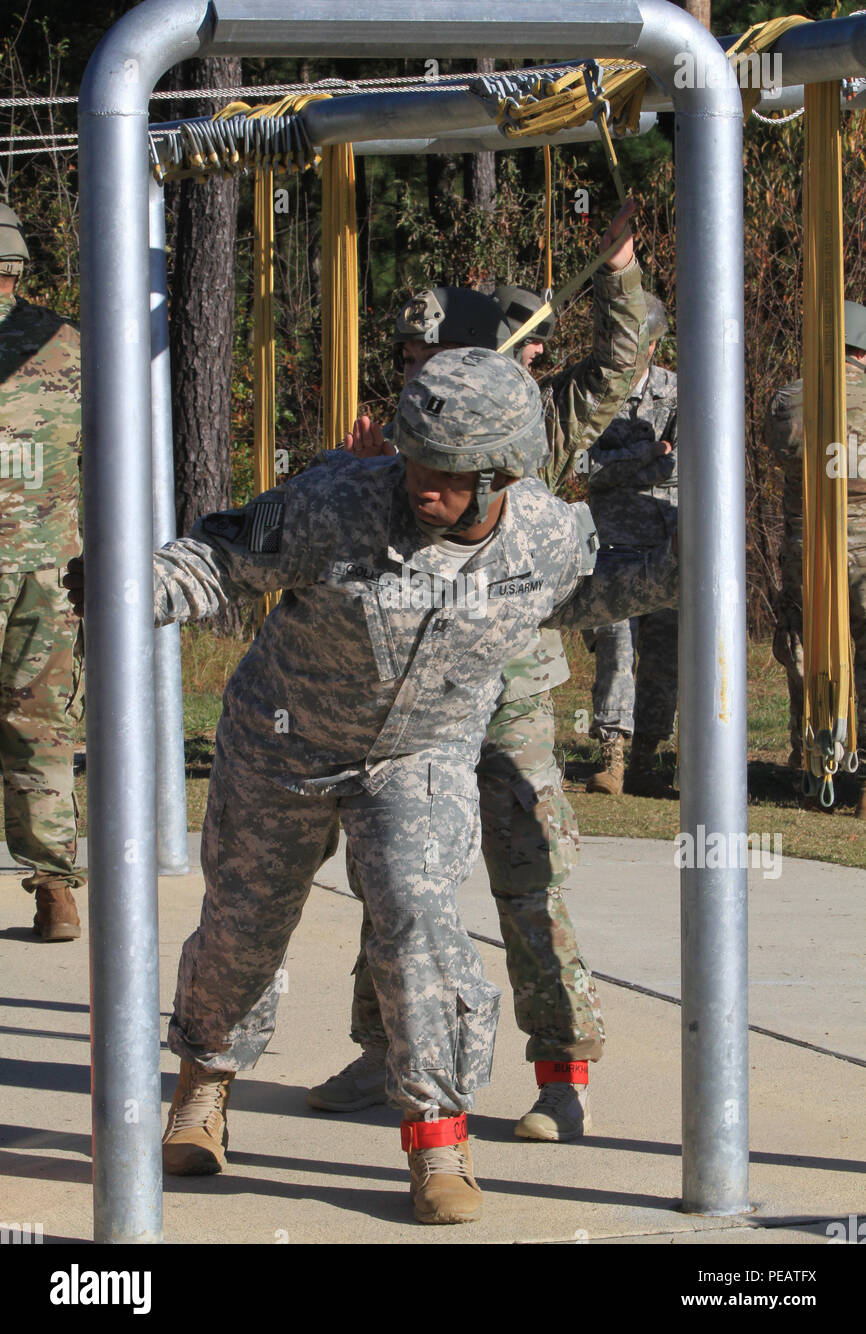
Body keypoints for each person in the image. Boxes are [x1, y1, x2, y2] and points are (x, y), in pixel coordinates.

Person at [67, 348, 676, 1225]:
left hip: (418, 755)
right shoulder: (337, 503)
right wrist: (139, 587)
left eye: (447, 472)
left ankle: (438, 1138)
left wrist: (701, 556)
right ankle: (204, 1088)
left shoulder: (546, 533)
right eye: (414, 458)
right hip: (284, 743)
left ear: (501, 476)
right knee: (244, 925)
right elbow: (220, 559)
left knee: (421, 924)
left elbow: (587, 592)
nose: (420, 482)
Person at [307, 202, 650, 1142]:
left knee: (529, 875)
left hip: (504, 690)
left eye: (429, 361)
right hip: (408, 695)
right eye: (406, 364)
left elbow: (623, 360)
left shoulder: (536, 424)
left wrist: (618, 269)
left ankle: (562, 1073)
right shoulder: (394, 446)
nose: (414, 379)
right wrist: (353, 474)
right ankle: (386, 1052)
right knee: (396, 875)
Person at [0, 201, 83, 941]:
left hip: (41, 572)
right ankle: (54, 886)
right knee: (40, 726)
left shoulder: (65, 345)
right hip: (45, 572)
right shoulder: (67, 345)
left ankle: (55, 886)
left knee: (39, 725)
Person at [765, 298, 866, 815]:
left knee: (805, 648)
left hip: (811, 548)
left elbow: (777, 445)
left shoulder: (791, 399)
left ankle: (811, 761)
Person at [583, 292, 679, 798]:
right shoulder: (596, 395)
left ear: (654, 343)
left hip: (667, 541)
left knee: (664, 653)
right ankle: (612, 755)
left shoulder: (680, 393)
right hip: (614, 542)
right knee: (616, 648)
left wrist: (628, 459)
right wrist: (649, 451)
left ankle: (647, 757)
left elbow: (680, 465)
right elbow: (585, 467)